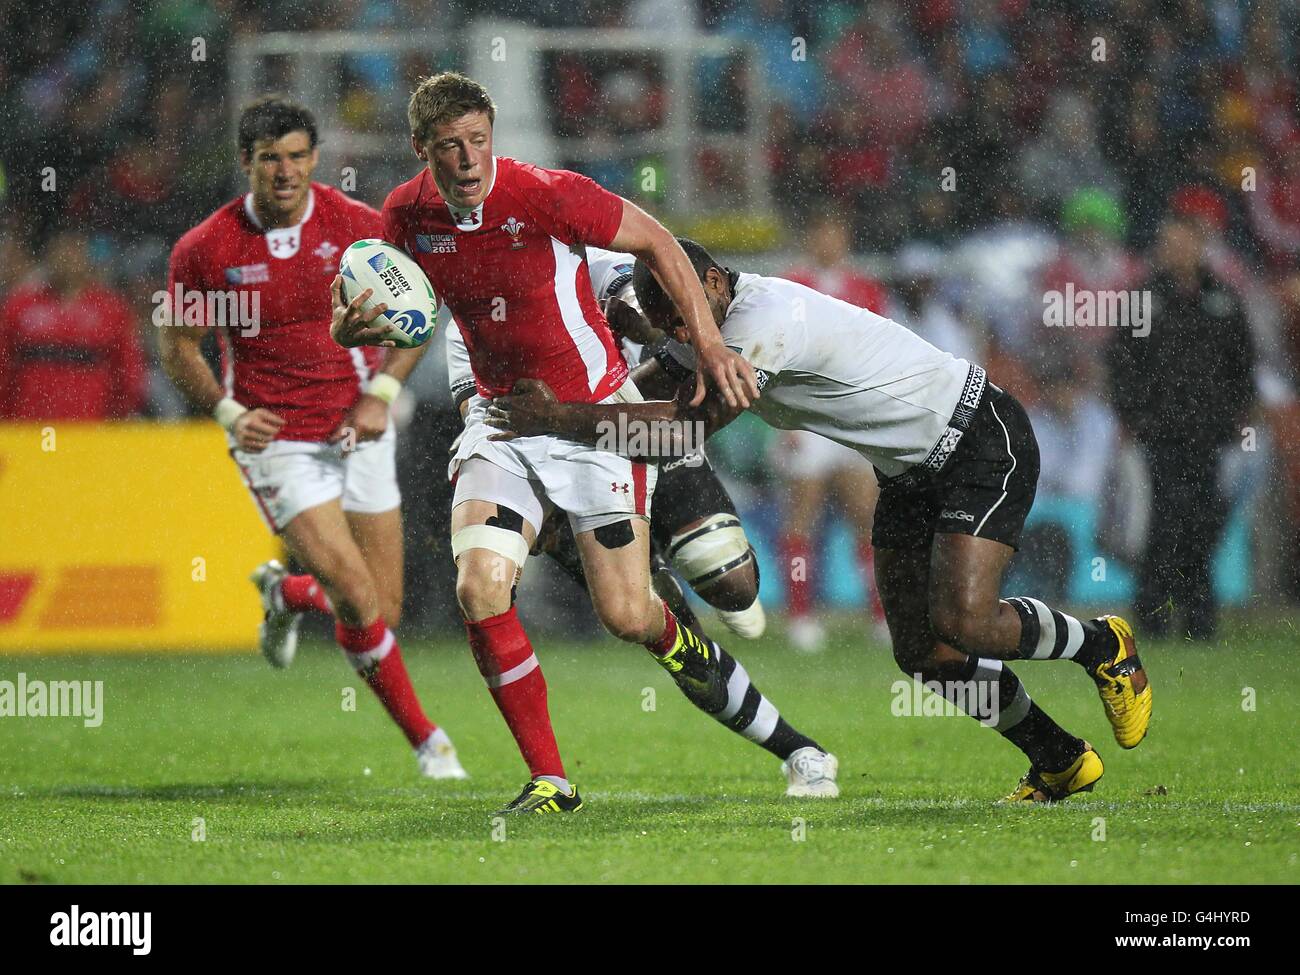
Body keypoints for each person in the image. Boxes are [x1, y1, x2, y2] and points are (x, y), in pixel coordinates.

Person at [486, 237, 1154, 803]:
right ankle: (1058, 757)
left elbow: (673, 432)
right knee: (925, 653)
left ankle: (1101, 644)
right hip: (907, 471)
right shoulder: (708, 320)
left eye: (684, 319)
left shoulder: (764, 320)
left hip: (978, 435)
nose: (684, 335)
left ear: (712, 283)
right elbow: (643, 401)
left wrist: (558, 418)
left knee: (965, 622)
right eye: (672, 326)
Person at [333, 72, 838, 813]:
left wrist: (707, 344)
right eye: (450, 147)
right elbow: (391, 300)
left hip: (596, 422)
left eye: (479, 141)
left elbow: (660, 242)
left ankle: (793, 742)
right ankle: (551, 778)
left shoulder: (546, 193)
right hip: (504, 423)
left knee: (634, 615)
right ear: (422, 150)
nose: (469, 160)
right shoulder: (404, 215)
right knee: (478, 586)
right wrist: (354, 330)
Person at [160, 96, 466, 780]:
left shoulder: (358, 229)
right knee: (357, 595)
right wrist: (228, 412)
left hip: (358, 430)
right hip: (278, 442)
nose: (285, 171)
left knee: (380, 610)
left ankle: (290, 594)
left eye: (297, 156)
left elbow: (421, 312)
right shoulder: (205, 249)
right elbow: (177, 346)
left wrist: (381, 393)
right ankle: (429, 742)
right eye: (270, 158)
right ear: (247, 163)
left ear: (315, 159)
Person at [446, 246, 769, 641]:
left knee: (731, 585)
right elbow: (482, 416)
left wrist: (640, 326)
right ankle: (660, 591)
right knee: (640, 613)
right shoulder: (469, 319)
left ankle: (689, 568)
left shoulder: (586, 264)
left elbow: (654, 314)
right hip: (572, 454)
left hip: (640, 430)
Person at [1107, 212, 1255, 640]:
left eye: (1184, 242)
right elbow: (1121, 364)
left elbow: (1242, 363)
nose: (1177, 251)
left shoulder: (1224, 299)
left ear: (1199, 244)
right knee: (1163, 520)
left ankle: (1197, 617)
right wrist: (1136, 417)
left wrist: (1234, 414)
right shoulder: (1143, 300)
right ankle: (1156, 615)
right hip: (1159, 435)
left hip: (1209, 436)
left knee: (1203, 521)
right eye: (1169, 243)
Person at [779, 209, 891, 651]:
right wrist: (784, 419)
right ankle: (800, 616)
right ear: (812, 237)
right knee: (803, 518)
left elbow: (881, 353)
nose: (831, 240)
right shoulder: (790, 287)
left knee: (867, 516)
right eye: (824, 231)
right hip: (807, 417)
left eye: (838, 231)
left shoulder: (867, 289)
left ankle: (882, 615)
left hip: (852, 416)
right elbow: (777, 353)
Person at [0, 228, 147, 420]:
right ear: (49, 255)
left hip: (89, 427)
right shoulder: (19, 306)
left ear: (87, 258)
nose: (67, 257)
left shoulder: (111, 310)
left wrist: (116, 418)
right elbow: (3, 364)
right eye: (61, 249)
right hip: (26, 428)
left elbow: (128, 370)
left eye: (74, 250)